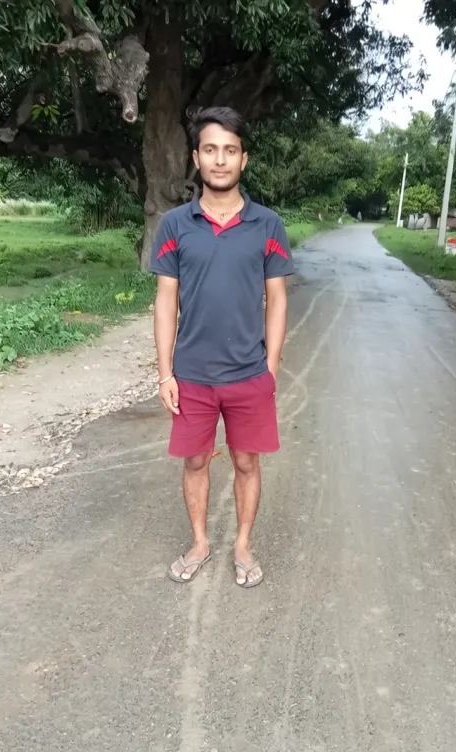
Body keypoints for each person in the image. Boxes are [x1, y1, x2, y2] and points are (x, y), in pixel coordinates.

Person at [149, 105, 294, 588]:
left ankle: (243, 544)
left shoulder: (268, 225)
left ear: (243, 160)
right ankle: (199, 541)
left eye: (229, 151)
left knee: (247, 462)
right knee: (194, 461)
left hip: (249, 373)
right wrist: (165, 372)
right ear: (196, 157)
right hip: (191, 374)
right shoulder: (175, 224)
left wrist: (270, 368)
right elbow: (165, 299)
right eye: (210, 149)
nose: (220, 159)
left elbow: (276, 298)